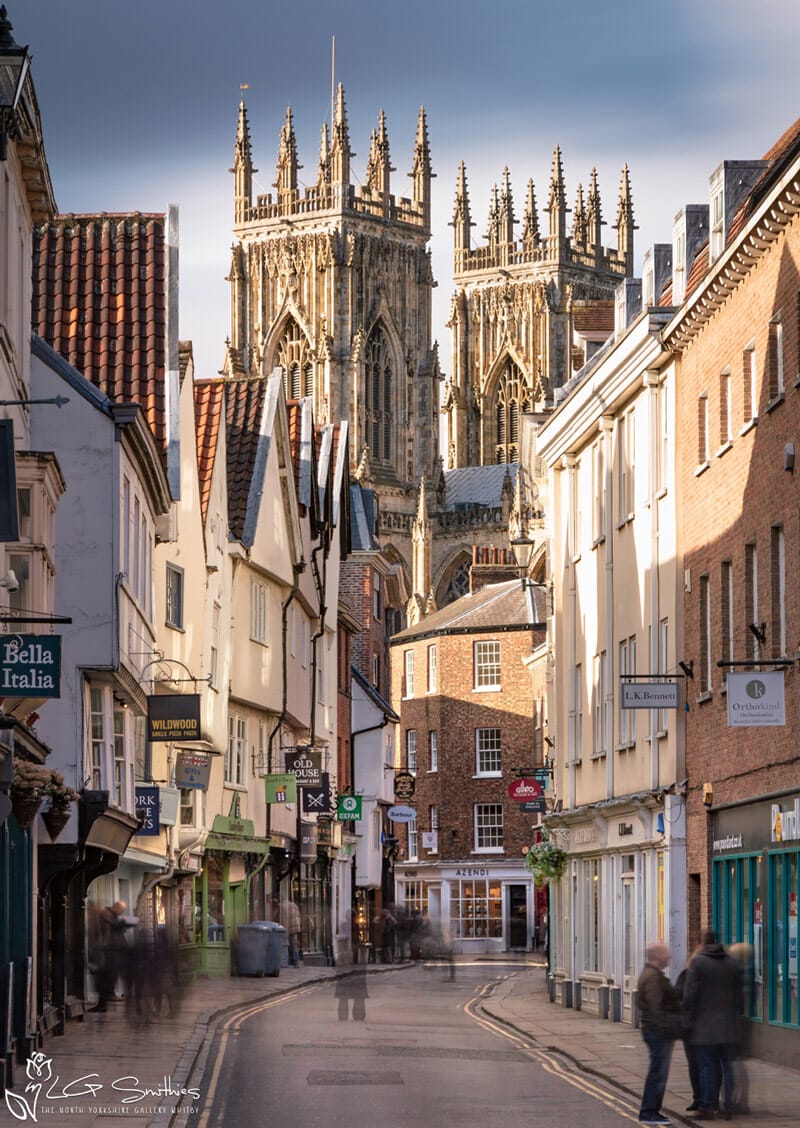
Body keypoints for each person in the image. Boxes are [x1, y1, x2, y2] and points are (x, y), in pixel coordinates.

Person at [682, 929, 743, 1120]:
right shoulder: (732, 963)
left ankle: (706, 1107)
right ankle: (730, 1106)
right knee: (728, 1066)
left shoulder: (698, 963)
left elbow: (690, 995)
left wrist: (687, 1020)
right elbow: (739, 995)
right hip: (728, 1025)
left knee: (707, 1066)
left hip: (704, 1026)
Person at [636, 940, 681, 1126]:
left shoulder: (651, 974)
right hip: (658, 1032)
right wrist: (670, 1027)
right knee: (658, 1072)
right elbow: (656, 1009)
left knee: (658, 1071)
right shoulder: (653, 978)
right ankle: (649, 1111)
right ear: (657, 956)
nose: (669, 956)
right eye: (666, 953)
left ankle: (652, 1110)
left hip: (655, 1030)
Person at [90, 901, 137, 1012]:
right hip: (110, 951)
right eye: (121, 910)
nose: (121, 913)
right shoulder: (107, 914)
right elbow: (114, 927)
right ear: (116, 907)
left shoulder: (113, 916)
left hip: (113, 951)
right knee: (107, 977)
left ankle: (104, 1002)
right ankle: (104, 1002)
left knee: (110, 976)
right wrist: (125, 921)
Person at [675, 946, 703, 1114]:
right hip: (702, 1027)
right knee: (706, 1065)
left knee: (695, 1065)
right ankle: (704, 1099)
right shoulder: (687, 976)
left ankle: (699, 1099)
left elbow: (678, 998)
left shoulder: (687, 975)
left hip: (692, 1028)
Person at [276, 898, 302, 966]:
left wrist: (284, 929)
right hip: (295, 928)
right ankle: (296, 961)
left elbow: (283, 919)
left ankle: (286, 962)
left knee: (286, 945)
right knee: (294, 946)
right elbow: (298, 916)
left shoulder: (281, 906)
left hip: (287, 928)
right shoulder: (294, 905)